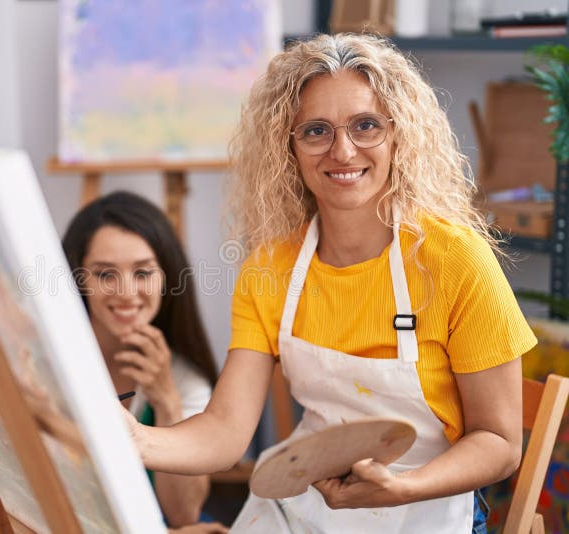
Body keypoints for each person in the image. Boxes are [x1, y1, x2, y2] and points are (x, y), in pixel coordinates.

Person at [124, 33, 536, 533]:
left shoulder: (455, 260)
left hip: (425, 507)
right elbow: (225, 432)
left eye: (366, 125)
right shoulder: (270, 269)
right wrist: (135, 439)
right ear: (289, 149)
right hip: (307, 504)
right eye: (316, 131)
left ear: (398, 135)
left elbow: (499, 441)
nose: (342, 151)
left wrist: (405, 486)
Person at [62, 191, 227, 532]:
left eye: (143, 273)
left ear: (166, 276)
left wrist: (167, 401)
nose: (126, 292)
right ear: (79, 280)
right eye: (105, 275)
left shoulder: (185, 378)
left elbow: (184, 515)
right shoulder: (48, 360)